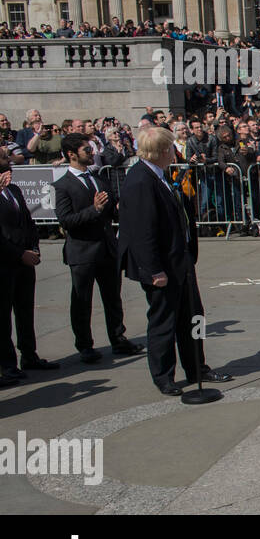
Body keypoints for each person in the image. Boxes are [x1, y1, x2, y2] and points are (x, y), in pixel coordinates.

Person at [118, 127, 231, 396]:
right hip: (162, 268)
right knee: (164, 322)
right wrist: (153, 270)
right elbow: (142, 232)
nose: (174, 152)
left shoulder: (159, 175)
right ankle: (163, 376)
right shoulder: (140, 180)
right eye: (170, 148)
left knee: (194, 317)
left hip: (180, 262)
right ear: (159, 152)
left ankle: (197, 367)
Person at [53, 134, 142, 363]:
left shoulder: (97, 179)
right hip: (82, 252)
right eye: (86, 149)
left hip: (107, 249)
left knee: (113, 298)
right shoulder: (63, 185)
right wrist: (93, 209)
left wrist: (121, 207)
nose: (91, 152)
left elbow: (111, 209)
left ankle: (118, 338)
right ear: (72, 154)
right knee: (82, 301)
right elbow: (67, 221)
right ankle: (84, 345)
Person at [0, 151, 56, 386]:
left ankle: (29, 355)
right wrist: (19, 254)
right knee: (4, 318)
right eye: (5, 166)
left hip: (25, 262)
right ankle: (7, 366)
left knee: (25, 312)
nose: (9, 170)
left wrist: (33, 247)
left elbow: (28, 221)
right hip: (5, 263)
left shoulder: (14, 191)